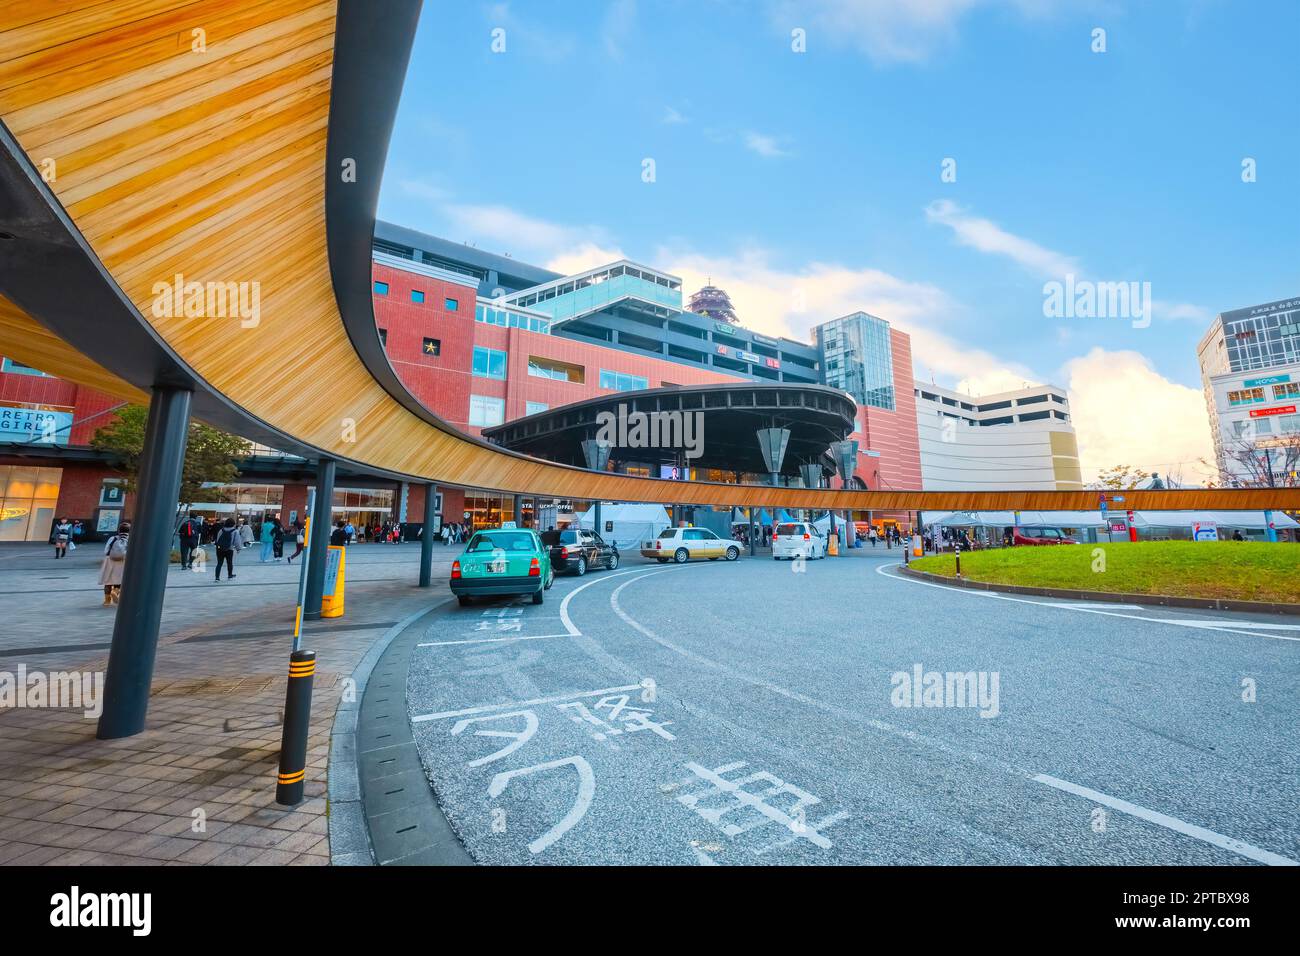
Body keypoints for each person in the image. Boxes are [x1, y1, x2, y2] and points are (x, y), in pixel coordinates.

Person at [99, 521, 130, 606]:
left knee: (108, 581)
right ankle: (115, 592)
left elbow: (106, 550)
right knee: (119, 580)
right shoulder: (131, 538)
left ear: (119, 530)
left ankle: (107, 601)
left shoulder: (113, 538)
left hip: (110, 561)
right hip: (122, 562)